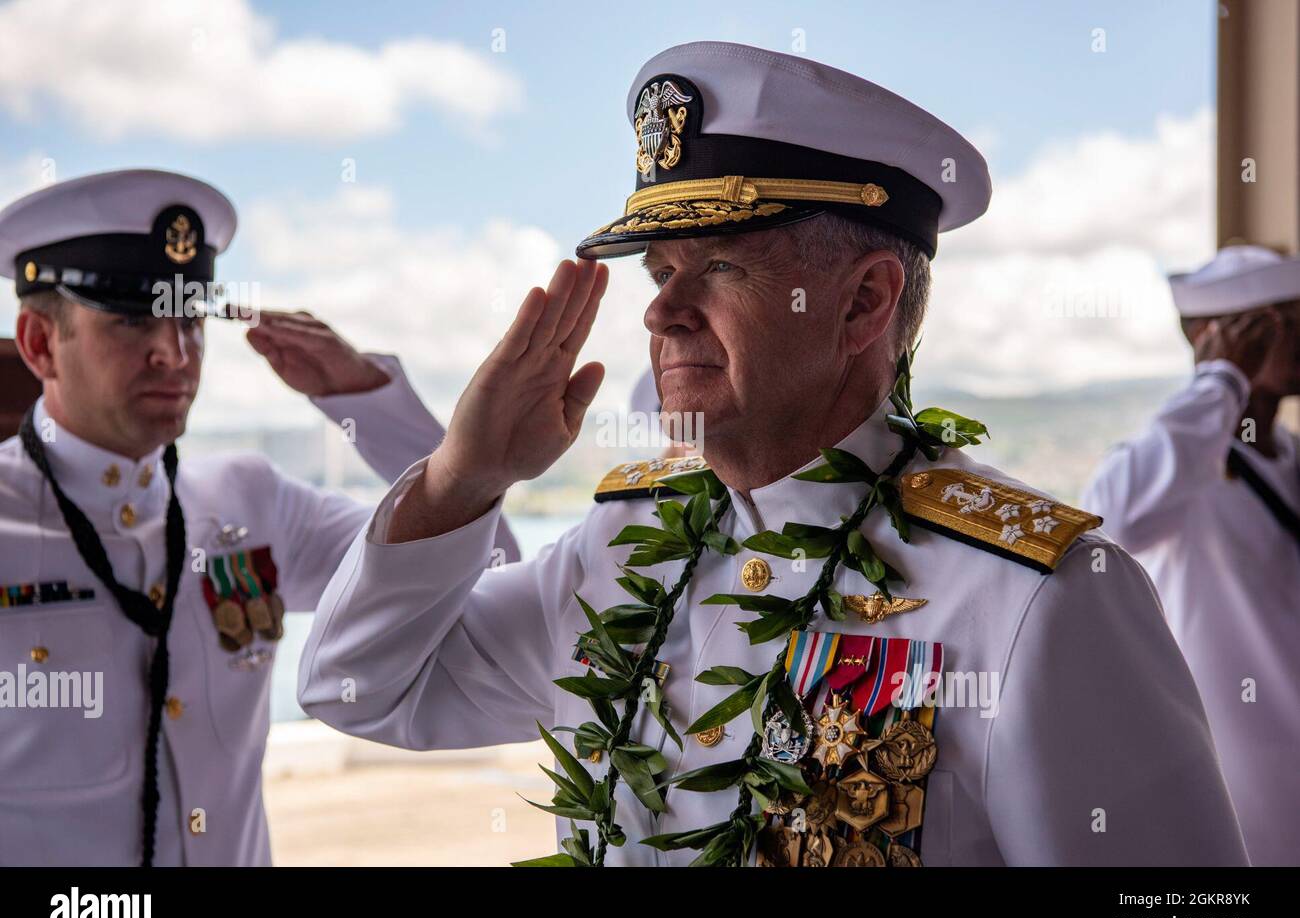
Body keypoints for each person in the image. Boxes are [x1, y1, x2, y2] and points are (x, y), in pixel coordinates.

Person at [300, 42, 1246, 866]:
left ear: (865, 303)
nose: (662, 311)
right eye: (662, 271)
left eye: (718, 265)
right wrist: (467, 477)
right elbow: (361, 686)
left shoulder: (1037, 594)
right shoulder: (620, 551)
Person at [0, 169, 517, 866]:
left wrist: (363, 399)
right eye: (131, 319)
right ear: (37, 342)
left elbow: (491, 577)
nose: (175, 352)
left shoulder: (250, 500)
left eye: (189, 318)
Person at [1083, 244, 1300, 866]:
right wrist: (1221, 380)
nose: (1294, 334)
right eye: (1273, 322)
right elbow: (1114, 516)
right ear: (1215, 339)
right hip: (1240, 792)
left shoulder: (1287, 458)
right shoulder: (1177, 471)